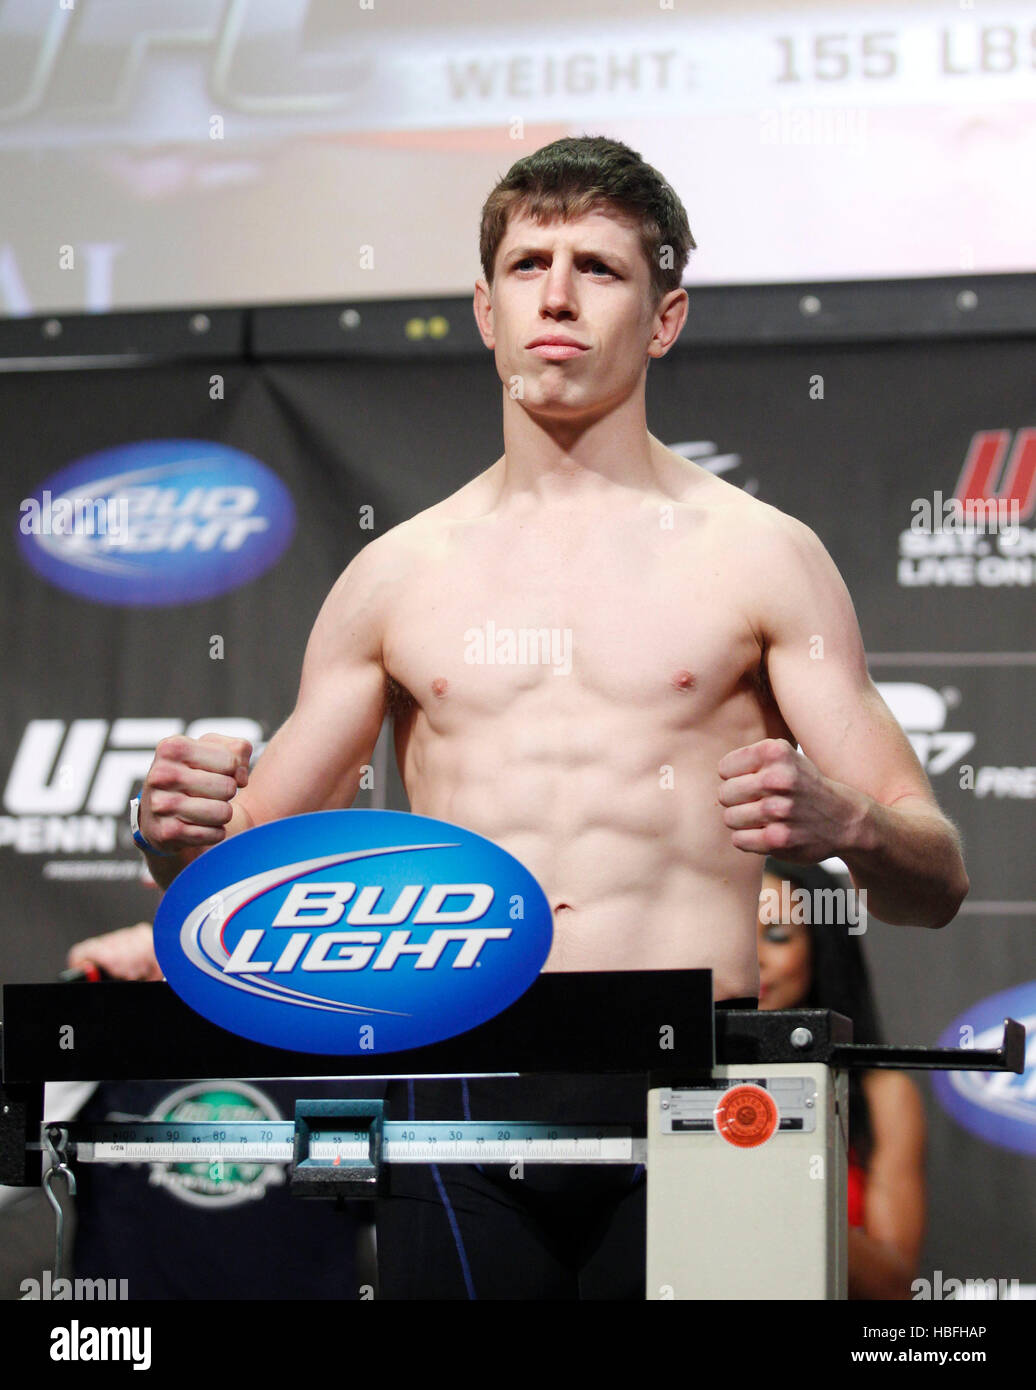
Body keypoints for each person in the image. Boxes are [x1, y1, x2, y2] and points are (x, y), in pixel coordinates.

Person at [70, 135, 967, 1298]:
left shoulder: (764, 559)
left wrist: (849, 817)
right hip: (457, 1078)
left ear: (664, 317)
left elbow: (934, 880)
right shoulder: (394, 580)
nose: (555, 294)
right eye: (527, 263)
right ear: (483, 309)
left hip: (699, 1077)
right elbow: (226, 882)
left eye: (597, 267)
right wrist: (173, 836)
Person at [758, 859, 926, 1300]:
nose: (751, 955)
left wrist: (786, 1198)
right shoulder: (667, 1080)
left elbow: (894, 1283)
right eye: (733, 935)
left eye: (776, 935)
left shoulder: (881, 1095)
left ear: (821, 947)